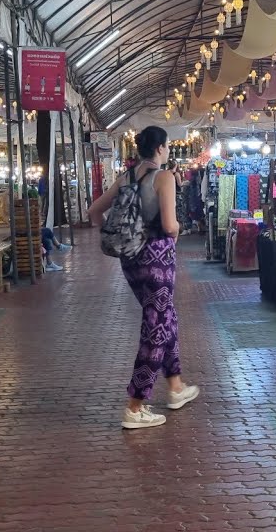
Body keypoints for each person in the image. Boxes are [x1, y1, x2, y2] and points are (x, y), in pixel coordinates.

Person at [88, 126, 199, 429]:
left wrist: (124, 232)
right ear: (161, 148)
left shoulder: (125, 178)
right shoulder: (163, 177)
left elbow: (94, 212)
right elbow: (169, 224)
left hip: (131, 259)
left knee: (166, 318)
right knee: (156, 327)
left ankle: (175, 386)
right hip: (158, 258)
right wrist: (174, 233)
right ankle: (135, 405)